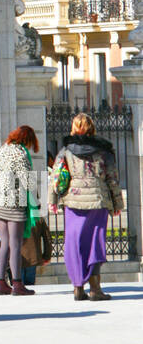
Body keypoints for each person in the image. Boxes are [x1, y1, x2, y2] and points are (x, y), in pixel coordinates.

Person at [49, 113, 123, 301]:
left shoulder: (65, 150)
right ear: (92, 127)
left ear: (73, 128)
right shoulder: (104, 150)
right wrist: (117, 203)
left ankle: (77, 287)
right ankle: (95, 288)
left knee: (75, 244)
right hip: (97, 201)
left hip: (73, 201)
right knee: (95, 243)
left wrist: (52, 200)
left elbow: (55, 177)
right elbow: (112, 178)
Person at [0, 125, 39, 297]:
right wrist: (35, 201)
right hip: (15, 203)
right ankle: (17, 284)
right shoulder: (21, 153)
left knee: (4, 243)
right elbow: (28, 180)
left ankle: (0, 282)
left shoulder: (2, 149)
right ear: (27, 140)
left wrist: (0, 184)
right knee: (15, 244)